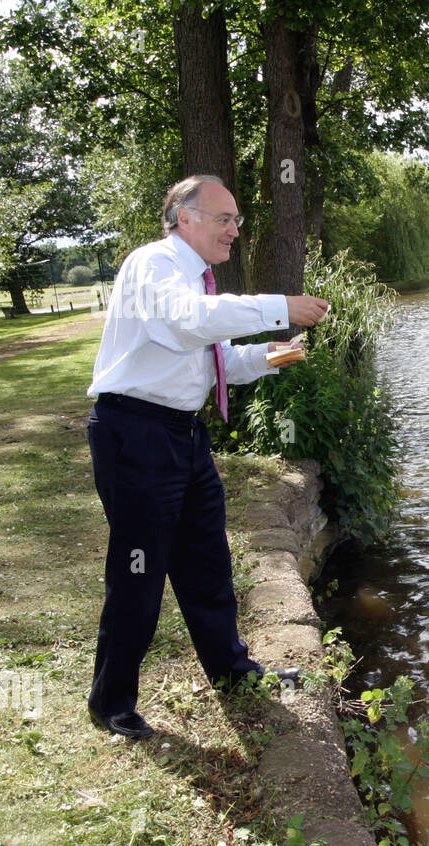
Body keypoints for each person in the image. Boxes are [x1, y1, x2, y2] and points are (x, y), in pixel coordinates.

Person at [85, 174, 329, 739]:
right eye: (225, 219)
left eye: (238, 220)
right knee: (138, 572)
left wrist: (271, 356)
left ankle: (234, 674)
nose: (235, 230)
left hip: (183, 436)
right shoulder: (154, 266)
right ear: (183, 218)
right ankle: (111, 700)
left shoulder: (195, 282)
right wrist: (280, 306)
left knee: (207, 565)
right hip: (137, 435)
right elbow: (185, 323)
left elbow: (211, 363)